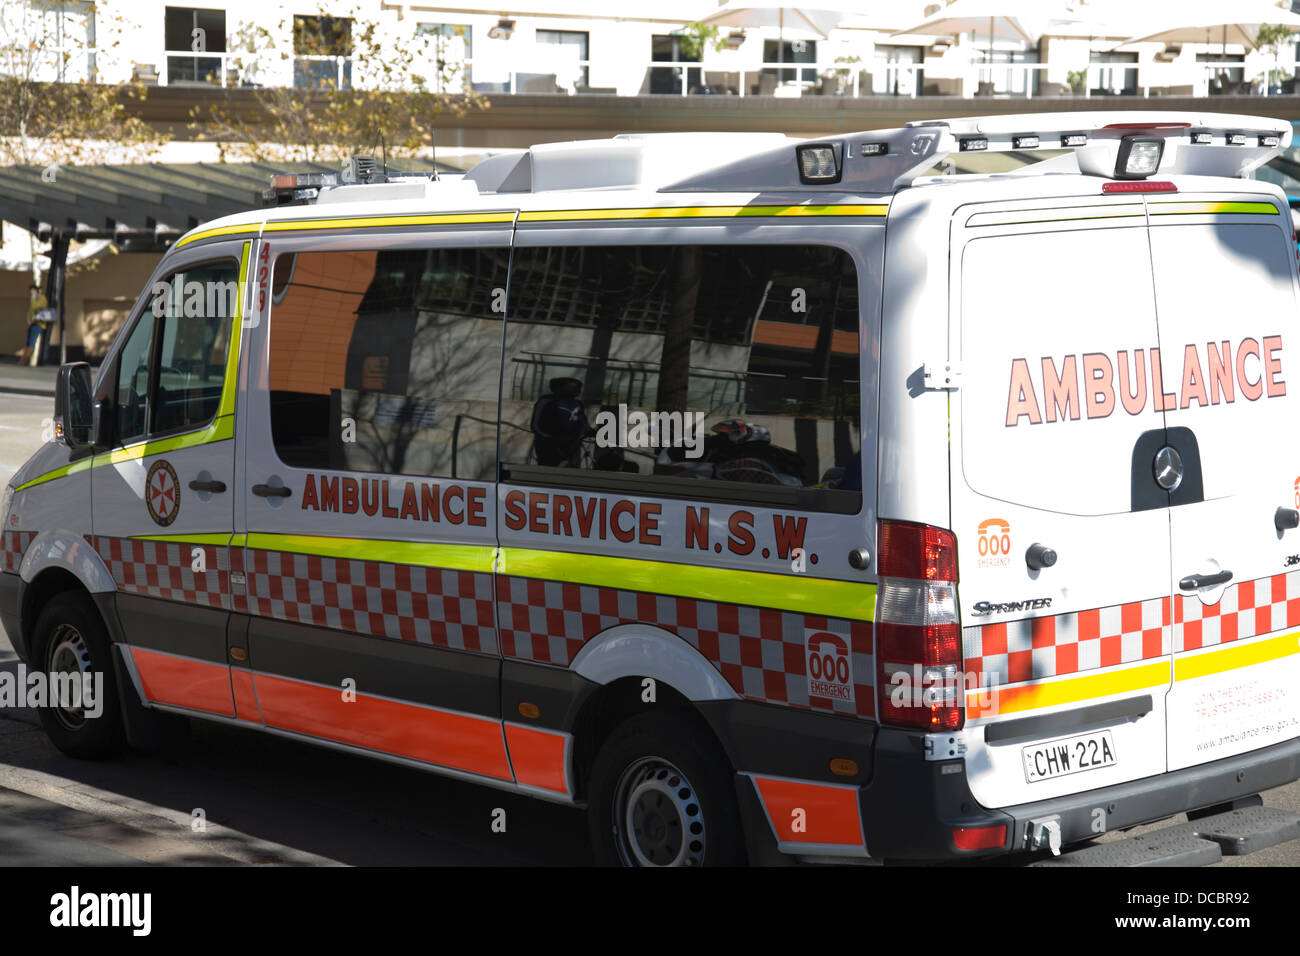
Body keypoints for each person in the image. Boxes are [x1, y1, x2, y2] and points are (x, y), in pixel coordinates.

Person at [16, 284, 50, 366]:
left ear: (36, 290)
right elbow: (31, 311)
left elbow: (35, 307)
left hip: (39, 324)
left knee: (31, 343)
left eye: (33, 290)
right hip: (33, 323)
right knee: (28, 343)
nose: (31, 292)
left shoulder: (41, 298)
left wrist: (33, 298)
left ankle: (24, 361)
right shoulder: (35, 298)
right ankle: (23, 360)